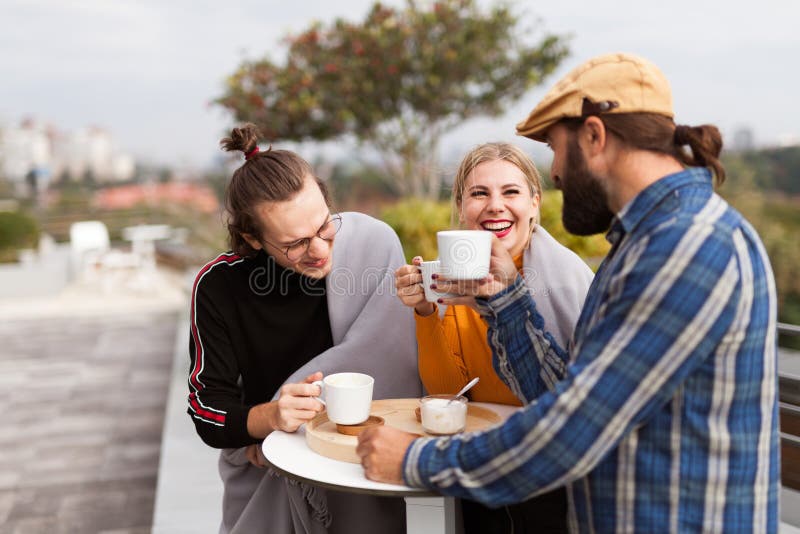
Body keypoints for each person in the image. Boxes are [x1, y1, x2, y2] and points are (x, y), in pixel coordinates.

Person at [357, 53, 779, 532]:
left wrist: (417, 459)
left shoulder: (685, 246)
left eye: (555, 149)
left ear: (594, 137)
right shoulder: (643, 243)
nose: (554, 173)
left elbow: (574, 430)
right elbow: (561, 394)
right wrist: (504, 300)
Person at [188, 124, 422, 534]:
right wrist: (270, 418)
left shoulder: (370, 247)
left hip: (362, 467)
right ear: (252, 238)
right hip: (267, 474)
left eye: (324, 227)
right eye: (295, 244)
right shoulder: (218, 287)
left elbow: (401, 363)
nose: (318, 251)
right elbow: (208, 411)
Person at [394, 142, 593, 533]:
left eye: (511, 192)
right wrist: (425, 311)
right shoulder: (458, 276)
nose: (495, 205)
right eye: (479, 193)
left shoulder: (568, 278)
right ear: (461, 206)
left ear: (535, 204)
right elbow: (449, 391)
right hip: (481, 467)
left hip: (552, 478)